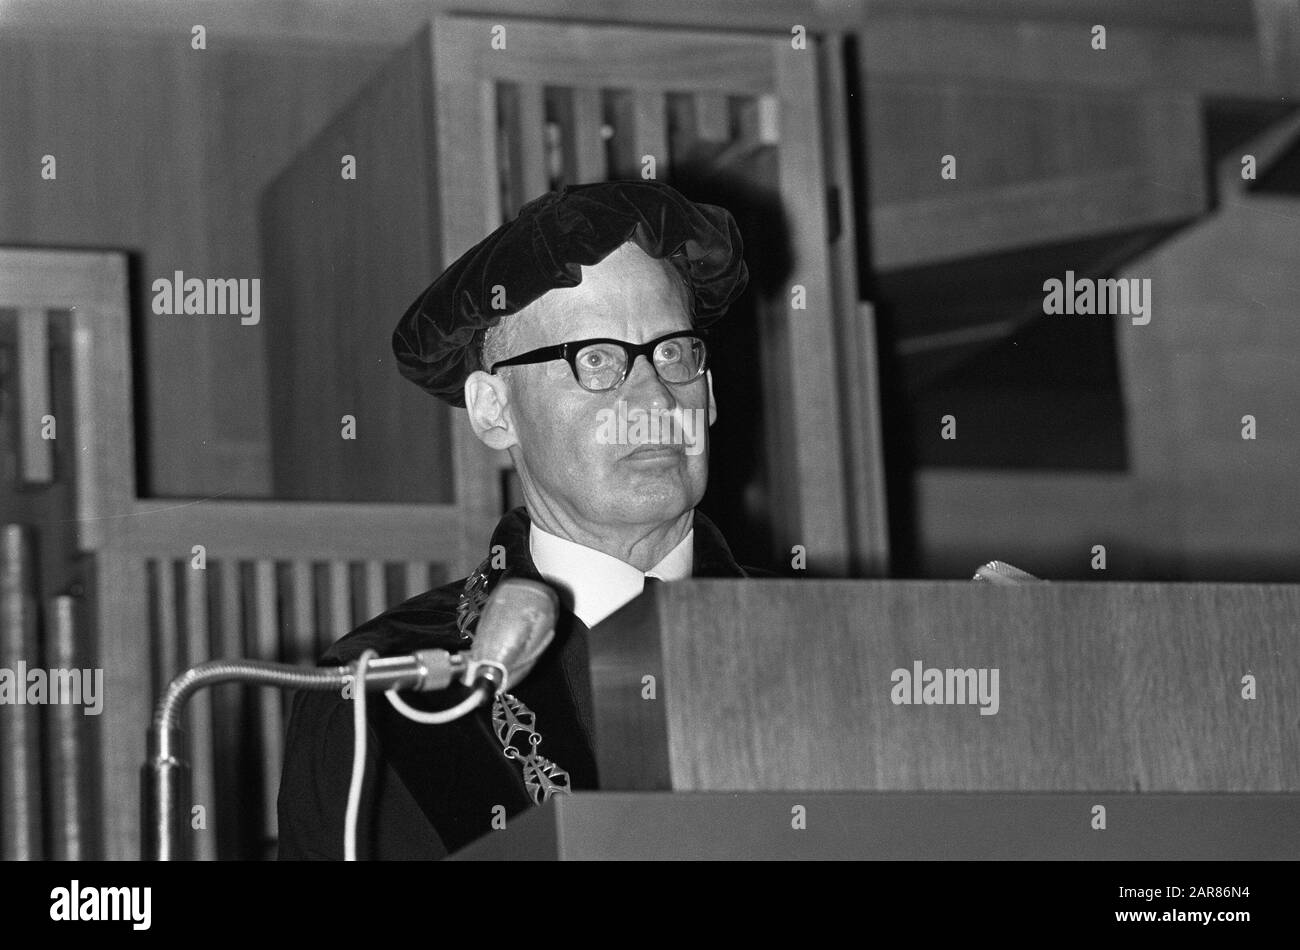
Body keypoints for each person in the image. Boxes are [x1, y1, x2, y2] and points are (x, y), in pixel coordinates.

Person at [277, 179, 763, 859]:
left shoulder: (826, 639)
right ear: (493, 411)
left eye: (675, 352)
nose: (653, 394)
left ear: (707, 393)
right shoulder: (382, 696)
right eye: (597, 359)